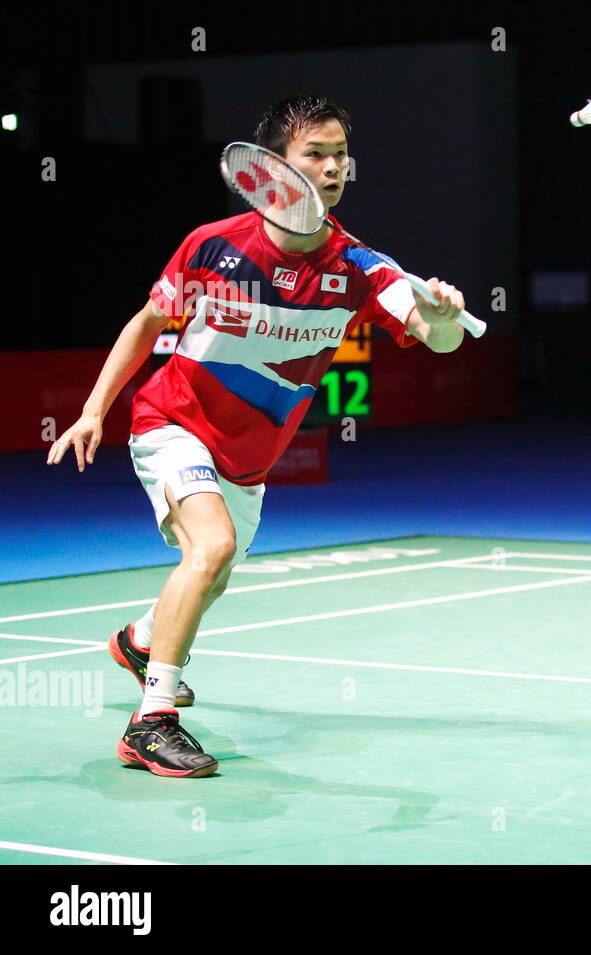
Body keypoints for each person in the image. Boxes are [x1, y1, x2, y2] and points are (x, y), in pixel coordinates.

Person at [46, 95, 468, 776]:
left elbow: (437, 339)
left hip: (250, 458)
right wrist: (96, 407)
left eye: (340, 156)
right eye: (316, 154)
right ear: (273, 166)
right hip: (173, 422)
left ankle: (138, 642)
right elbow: (146, 324)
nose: (333, 168)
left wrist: (440, 313)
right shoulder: (213, 245)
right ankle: (151, 722)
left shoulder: (361, 266)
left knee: (210, 575)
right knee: (209, 547)